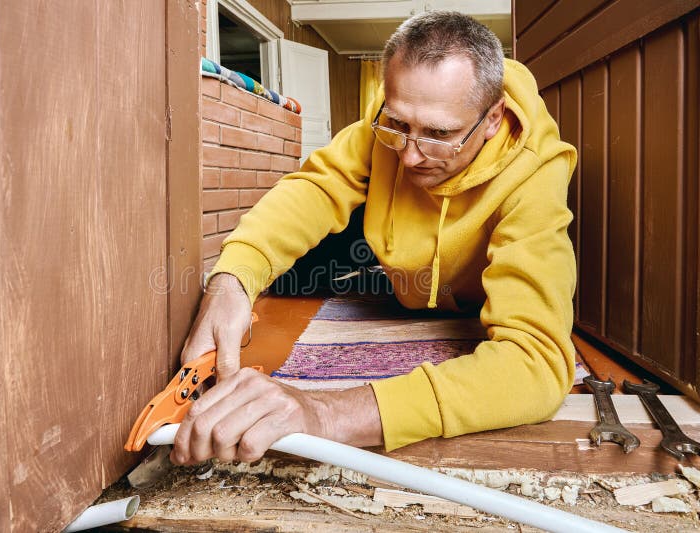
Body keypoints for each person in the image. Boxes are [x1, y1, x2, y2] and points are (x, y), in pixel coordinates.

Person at [170, 10, 577, 465]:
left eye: (439, 135)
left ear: (493, 119)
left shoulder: (536, 172)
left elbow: (536, 366)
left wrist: (324, 413)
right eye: (398, 126)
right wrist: (232, 278)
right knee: (279, 275)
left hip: (466, 294)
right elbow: (314, 188)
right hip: (386, 252)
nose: (409, 156)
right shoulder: (386, 127)